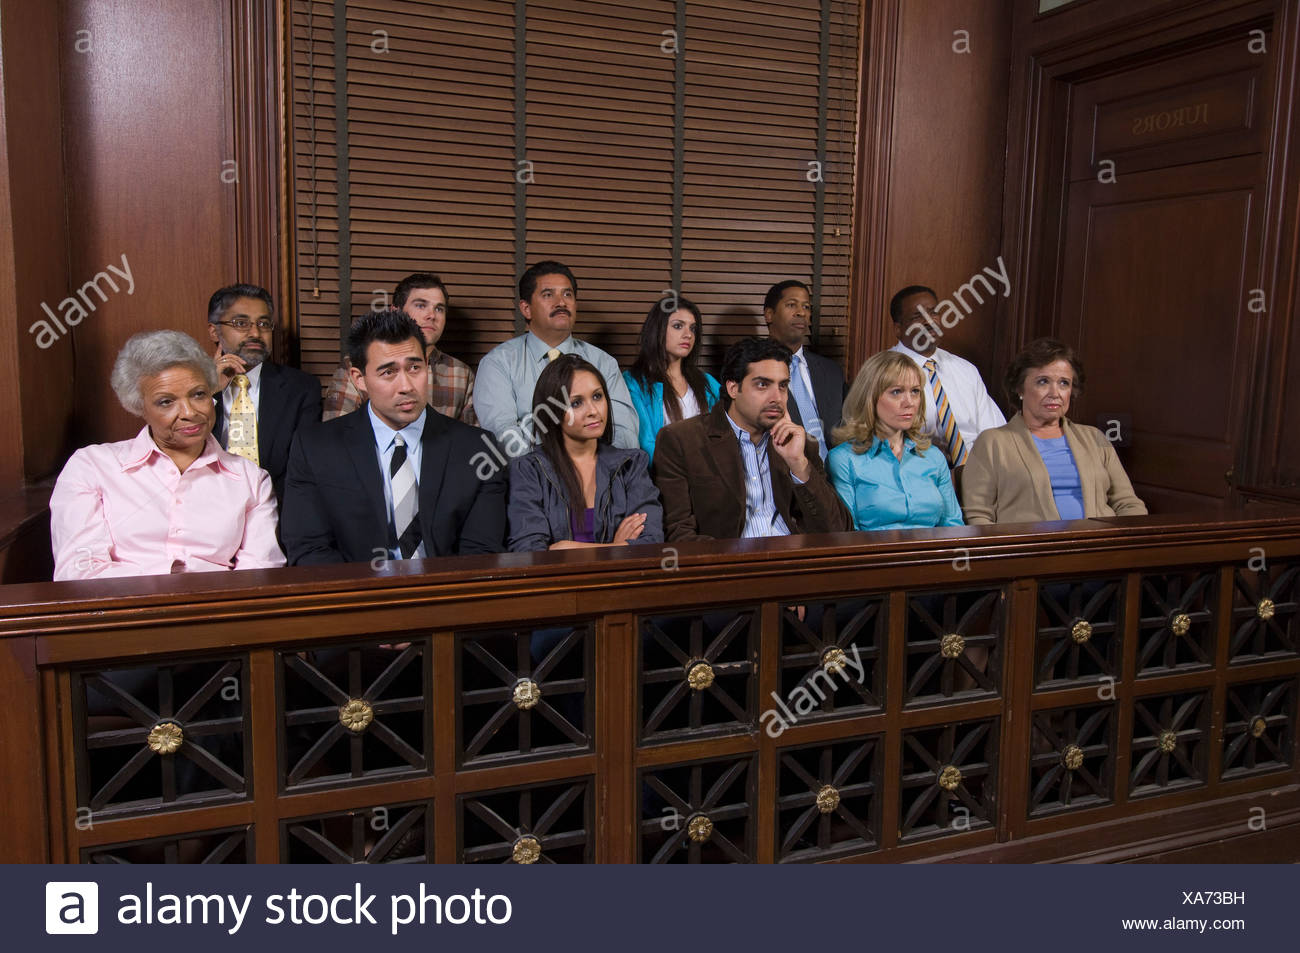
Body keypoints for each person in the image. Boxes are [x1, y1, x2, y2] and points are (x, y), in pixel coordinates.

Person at [50, 330, 284, 579]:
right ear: (139, 407)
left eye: (198, 395)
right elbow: (78, 572)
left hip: (218, 614)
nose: (189, 412)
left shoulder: (251, 479)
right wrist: (172, 581)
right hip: (121, 615)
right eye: (166, 402)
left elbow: (259, 575)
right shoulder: (91, 467)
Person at [281, 309, 506, 564]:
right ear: (359, 379)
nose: (406, 386)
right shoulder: (315, 447)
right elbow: (309, 550)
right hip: (356, 596)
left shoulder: (479, 449)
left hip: (448, 596)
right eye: (388, 372)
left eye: (414, 367)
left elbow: (481, 553)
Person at [654, 336, 852, 541]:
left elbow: (838, 531)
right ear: (733, 389)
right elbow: (679, 534)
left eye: (783, 386)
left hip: (793, 563)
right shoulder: (681, 441)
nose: (777, 397)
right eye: (762, 385)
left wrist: (799, 465)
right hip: (729, 566)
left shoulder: (801, 444)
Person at [962, 337, 1147, 524]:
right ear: (1019, 388)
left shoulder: (1095, 437)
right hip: (1030, 550)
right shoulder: (992, 442)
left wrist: (1123, 545)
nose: (1055, 393)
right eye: (1043, 382)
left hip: (1099, 547)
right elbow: (977, 515)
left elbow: (1128, 504)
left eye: (1064, 383)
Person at [474, 260, 638, 455]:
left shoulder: (604, 363)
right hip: (530, 481)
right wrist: (554, 473)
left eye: (567, 294)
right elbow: (506, 440)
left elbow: (625, 435)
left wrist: (592, 470)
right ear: (526, 308)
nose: (561, 302)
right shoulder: (498, 364)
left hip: (599, 479)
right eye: (548, 295)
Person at [508, 354, 663, 551]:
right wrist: (615, 547)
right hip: (556, 583)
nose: (593, 411)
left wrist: (564, 547)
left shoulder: (631, 464)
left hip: (622, 581)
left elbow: (651, 541)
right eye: (576, 403)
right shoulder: (529, 470)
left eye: (597, 396)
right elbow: (529, 551)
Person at [207, 283, 322, 504]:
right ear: (214, 331)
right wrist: (210, 393)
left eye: (264, 324)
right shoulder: (193, 388)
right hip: (207, 510)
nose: (255, 333)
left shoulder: (301, 389)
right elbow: (180, 452)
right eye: (241, 323)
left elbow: (304, 469)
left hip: (276, 512)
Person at [827, 350, 963, 531]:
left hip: (933, 557)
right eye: (896, 392)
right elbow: (848, 533)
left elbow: (953, 526)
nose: (909, 402)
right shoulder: (844, 459)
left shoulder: (933, 456)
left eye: (915, 391)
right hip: (874, 557)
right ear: (870, 397)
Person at [321, 272, 477, 424]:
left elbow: (469, 442)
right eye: (421, 305)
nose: (431, 315)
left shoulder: (461, 373)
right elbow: (337, 435)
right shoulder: (359, 365)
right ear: (396, 311)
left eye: (439, 308)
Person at [888, 284, 1006, 466]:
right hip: (916, 469)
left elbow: (996, 432)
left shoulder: (965, 370)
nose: (929, 321)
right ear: (898, 329)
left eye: (933, 312)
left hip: (978, 471)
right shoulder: (882, 372)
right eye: (917, 316)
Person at [623, 296, 721, 461]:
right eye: (678, 326)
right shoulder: (634, 382)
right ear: (658, 329)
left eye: (693, 328)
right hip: (663, 477)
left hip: (709, 475)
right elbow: (645, 442)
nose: (688, 335)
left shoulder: (707, 382)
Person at [762, 279, 846, 460]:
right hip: (784, 474)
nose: (801, 312)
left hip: (837, 476)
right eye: (791, 305)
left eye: (806, 307)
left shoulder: (831, 371)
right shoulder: (754, 369)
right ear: (769, 314)